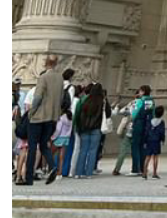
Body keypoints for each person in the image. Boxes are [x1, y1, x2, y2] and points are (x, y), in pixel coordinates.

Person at [21, 55, 64, 186]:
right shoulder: (60, 78)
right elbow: (61, 98)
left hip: (39, 117)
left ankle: (28, 178)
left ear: (45, 64)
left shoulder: (43, 77)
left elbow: (38, 97)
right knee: (44, 144)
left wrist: (31, 112)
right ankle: (52, 166)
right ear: (56, 63)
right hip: (52, 117)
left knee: (32, 147)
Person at [72, 83, 105, 177]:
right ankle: (89, 173)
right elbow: (107, 113)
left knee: (83, 150)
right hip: (96, 128)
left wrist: (80, 126)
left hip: (84, 128)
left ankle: (78, 172)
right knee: (93, 151)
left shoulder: (85, 101)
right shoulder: (101, 102)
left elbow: (80, 115)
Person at [127, 86, 155, 178]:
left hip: (138, 124)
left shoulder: (140, 101)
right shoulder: (151, 101)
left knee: (135, 146)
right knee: (143, 147)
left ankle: (135, 169)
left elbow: (134, 114)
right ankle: (143, 168)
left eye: (139, 91)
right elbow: (152, 114)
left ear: (142, 92)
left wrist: (131, 119)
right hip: (147, 125)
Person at [109, 91, 133, 176]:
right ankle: (137, 168)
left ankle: (117, 168)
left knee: (123, 151)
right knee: (137, 151)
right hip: (135, 130)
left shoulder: (131, 103)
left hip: (127, 129)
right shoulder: (141, 104)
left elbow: (121, 111)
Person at [140, 106, 166, 179]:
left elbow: (146, 131)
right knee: (155, 157)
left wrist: (144, 141)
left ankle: (144, 173)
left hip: (149, 140)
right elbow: (162, 132)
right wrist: (163, 140)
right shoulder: (162, 122)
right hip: (156, 141)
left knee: (147, 157)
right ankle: (154, 173)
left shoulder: (150, 121)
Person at [54, 104, 75, 179]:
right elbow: (70, 129)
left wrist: (53, 137)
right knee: (62, 156)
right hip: (66, 138)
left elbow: (58, 130)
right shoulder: (70, 117)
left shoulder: (61, 118)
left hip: (59, 138)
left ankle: (54, 170)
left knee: (54, 154)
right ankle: (60, 172)